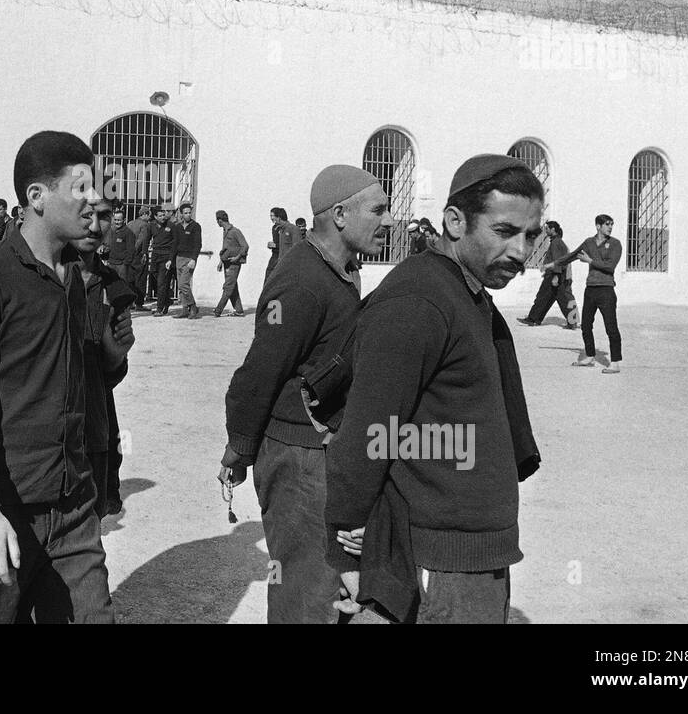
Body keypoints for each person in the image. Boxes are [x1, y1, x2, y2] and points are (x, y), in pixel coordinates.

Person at [326, 154, 544, 625]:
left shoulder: (466, 291)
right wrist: (347, 558)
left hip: (473, 553)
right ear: (454, 221)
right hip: (438, 563)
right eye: (505, 232)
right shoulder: (419, 301)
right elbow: (368, 433)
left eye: (531, 235)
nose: (522, 252)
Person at [0, 131, 130, 623]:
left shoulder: (75, 280)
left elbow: (83, 386)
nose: (93, 204)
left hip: (73, 505)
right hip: (1, 508)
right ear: (36, 197)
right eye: (79, 190)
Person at [219, 165, 393, 623]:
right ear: (339, 214)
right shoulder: (302, 280)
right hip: (298, 457)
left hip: (325, 450)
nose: (389, 221)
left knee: (333, 587)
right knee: (304, 591)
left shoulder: (340, 270)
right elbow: (260, 371)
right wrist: (240, 447)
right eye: (377, 210)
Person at [75, 200, 136, 520]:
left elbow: (108, 375)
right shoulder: (37, 277)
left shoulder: (115, 288)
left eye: (104, 217)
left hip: (92, 419)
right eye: (86, 215)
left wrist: (116, 353)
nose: (95, 227)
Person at [561, 214, 624, 374]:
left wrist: (590, 261)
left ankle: (615, 362)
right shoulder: (589, 242)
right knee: (586, 325)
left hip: (606, 290)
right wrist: (552, 264)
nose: (610, 227)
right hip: (590, 289)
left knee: (611, 327)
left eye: (612, 224)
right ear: (598, 226)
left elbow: (610, 267)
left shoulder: (615, 244)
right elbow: (573, 255)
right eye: (607, 224)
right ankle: (589, 356)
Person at [517, 220, 578, 328]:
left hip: (555, 276)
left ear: (553, 229)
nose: (546, 230)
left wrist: (556, 276)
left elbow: (558, 261)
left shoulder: (556, 243)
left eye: (547, 228)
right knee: (553, 299)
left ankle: (533, 319)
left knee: (544, 298)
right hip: (556, 275)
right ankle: (535, 319)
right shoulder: (558, 242)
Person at [213, 210, 249, 317]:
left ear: (220, 220)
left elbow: (245, 246)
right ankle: (239, 310)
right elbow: (226, 248)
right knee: (232, 286)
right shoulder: (225, 231)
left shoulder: (235, 231)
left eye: (217, 220)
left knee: (228, 286)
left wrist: (237, 257)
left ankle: (218, 310)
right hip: (227, 263)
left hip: (234, 264)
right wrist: (221, 262)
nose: (217, 223)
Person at [173, 202, 203, 319]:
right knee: (180, 287)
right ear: (181, 214)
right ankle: (185, 309)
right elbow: (174, 244)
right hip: (179, 258)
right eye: (185, 213)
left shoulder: (196, 226)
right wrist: (171, 259)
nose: (188, 215)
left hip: (189, 258)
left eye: (189, 212)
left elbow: (198, 244)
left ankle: (193, 306)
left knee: (183, 284)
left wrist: (194, 259)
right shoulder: (178, 227)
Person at [148, 206, 177, 317]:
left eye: (164, 214)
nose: (163, 217)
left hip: (166, 257)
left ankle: (159, 309)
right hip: (155, 256)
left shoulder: (171, 226)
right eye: (160, 215)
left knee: (161, 282)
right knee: (155, 279)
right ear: (155, 217)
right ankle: (167, 299)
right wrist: (145, 253)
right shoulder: (151, 225)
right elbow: (147, 239)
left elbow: (174, 243)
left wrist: (170, 259)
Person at [126, 208, 154, 307]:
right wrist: (144, 253)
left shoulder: (130, 223)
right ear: (145, 214)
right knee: (141, 279)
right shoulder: (145, 225)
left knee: (130, 279)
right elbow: (142, 240)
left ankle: (129, 303)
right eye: (149, 215)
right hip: (139, 255)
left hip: (128, 255)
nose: (150, 218)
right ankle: (139, 304)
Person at [103, 207, 138, 287]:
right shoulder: (112, 231)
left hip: (121, 266)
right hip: (111, 263)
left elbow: (131, 251)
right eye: (115, 220)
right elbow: (108, 245)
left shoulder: (128, 233)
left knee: (121, 286)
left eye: (119, 220)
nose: (117, 222)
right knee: (112, 287)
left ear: (124, 220)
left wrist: (125, 264)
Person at [264, 207, 291, 281]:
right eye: (270, 216)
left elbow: (289, 244)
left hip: (284, 255)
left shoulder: (289, 228)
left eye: (273, 216)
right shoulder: (274, 228)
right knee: (269, 274)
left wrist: (275, 245)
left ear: (278, 217)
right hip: (275, 254)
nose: (271, 218)